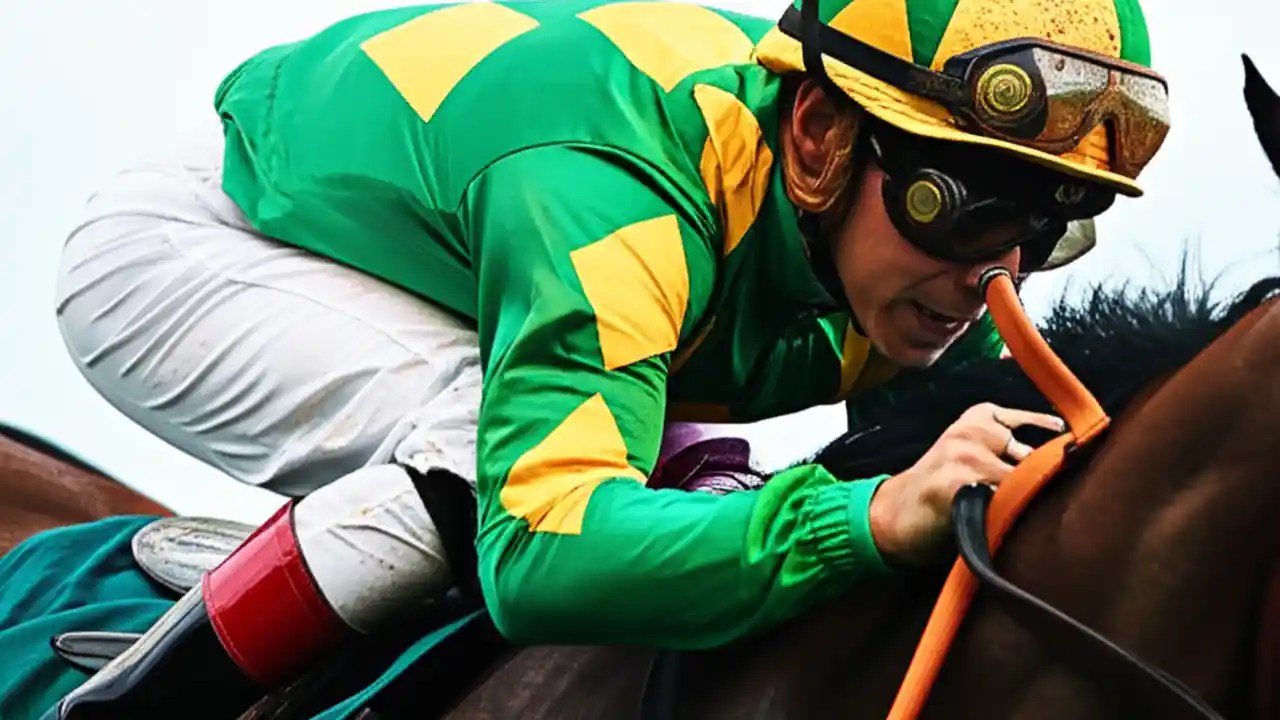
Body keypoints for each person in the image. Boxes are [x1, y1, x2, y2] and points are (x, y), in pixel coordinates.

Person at [50, 0, 1169, 715]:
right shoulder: (617, 197)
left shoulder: (881, 253)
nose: (998, 279)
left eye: (1053, 227)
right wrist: (862, 522)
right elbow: (542, 551)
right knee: (476, 467)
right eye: (965, 210)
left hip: (470, 247)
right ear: (821, 137)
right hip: (216, 240)